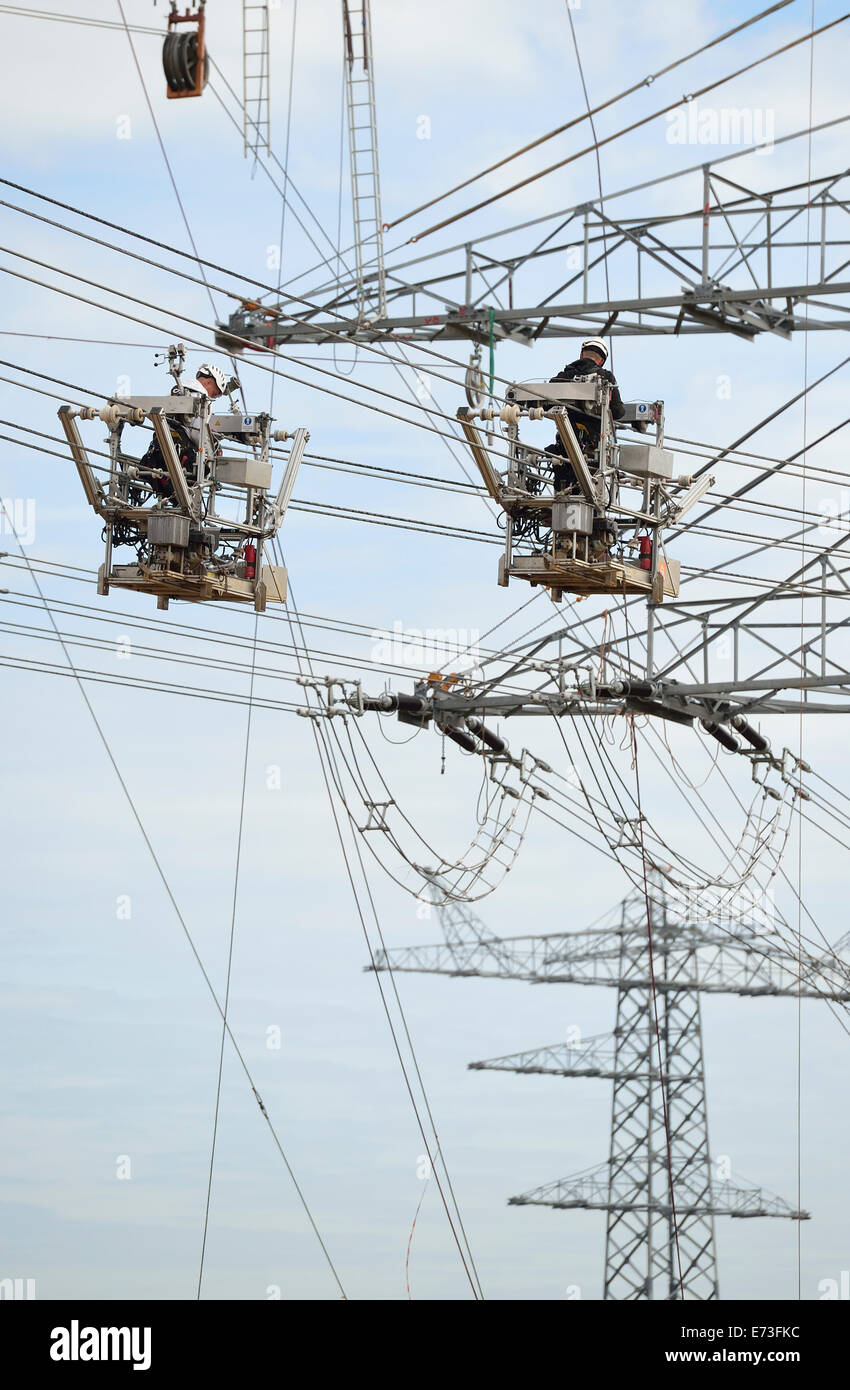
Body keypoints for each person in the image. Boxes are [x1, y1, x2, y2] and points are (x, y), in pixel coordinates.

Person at [546, 337, 624, 491]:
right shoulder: (605, 377)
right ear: (601, 360)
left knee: (563, 487)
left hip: (564, 442)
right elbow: (618, 411)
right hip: (592, 447)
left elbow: (547, 401)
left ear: (582, 355)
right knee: (588, 490)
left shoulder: (562, 376)